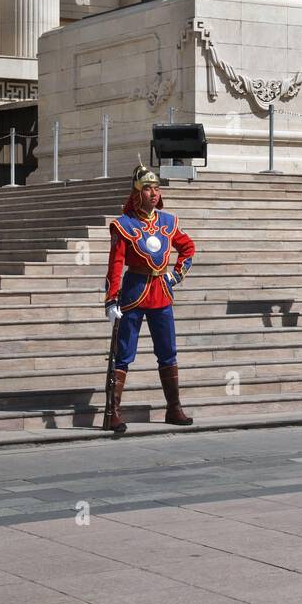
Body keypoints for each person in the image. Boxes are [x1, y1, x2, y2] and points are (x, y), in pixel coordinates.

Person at [103, 163, 195, 432]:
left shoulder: (168, 222)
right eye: (147, 189)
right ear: (137, 192)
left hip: (161, 291)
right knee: (123, 354)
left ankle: (174, 407)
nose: (154, 193)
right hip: (133, 291)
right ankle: (113, 412)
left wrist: (176, 275)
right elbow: (115, 264)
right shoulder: (124, 225)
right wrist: (111, 300)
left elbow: (188, 248)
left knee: (168, 351)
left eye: (156, 188)